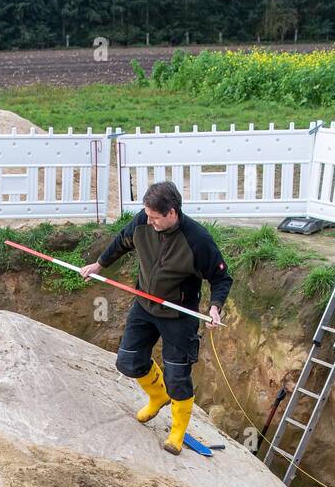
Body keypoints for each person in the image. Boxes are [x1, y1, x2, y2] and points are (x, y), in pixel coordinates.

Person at [80, 180, 232, 455]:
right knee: (128, 361)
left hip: (178, 315)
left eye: (154, 218)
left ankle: (177, 431)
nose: (148, 222)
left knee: (177, 376)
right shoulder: (143, 221)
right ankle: (157, 395)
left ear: (172, 212)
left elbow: (221, 278)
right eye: (147, 216)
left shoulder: (197, 240)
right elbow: (121, 242)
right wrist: (98, 264)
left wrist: (214, 307)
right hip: (144, 305)